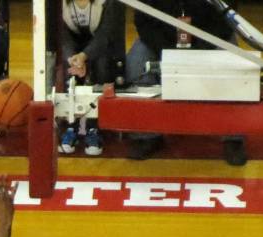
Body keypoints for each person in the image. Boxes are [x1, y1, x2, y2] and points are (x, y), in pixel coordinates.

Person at [125, 0, 246, 165]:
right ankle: (146, 136)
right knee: (136, 64)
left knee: (234, 68)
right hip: (162, 40)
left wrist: (201, 48)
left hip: (212, 38)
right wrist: (166, 49)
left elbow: (227, 17)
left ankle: (233, 138)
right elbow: (142, 20)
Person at [57, 0, 122, 155]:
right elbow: (62, 36)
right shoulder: (60, 4)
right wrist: (73, 59)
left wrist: (84, 56)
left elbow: (105, 35)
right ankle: (71, 125)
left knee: (102, 65)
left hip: (102, 47)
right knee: (69, 70)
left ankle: (94, 127)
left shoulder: (107, 3)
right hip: (75, 50)